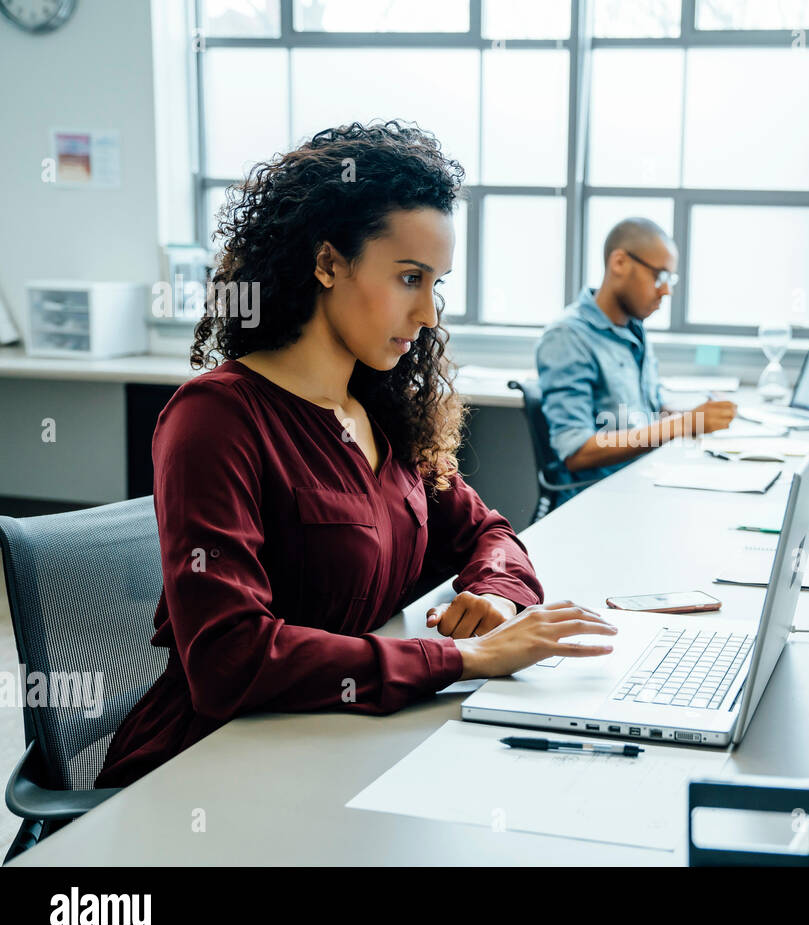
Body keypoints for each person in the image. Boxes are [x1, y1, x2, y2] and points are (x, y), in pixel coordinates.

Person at [96, 121, 615, 789]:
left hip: (345, 738)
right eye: (408, 277)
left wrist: (496, 593)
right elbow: (230, 657)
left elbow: (488, 532)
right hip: (212, 765)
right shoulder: (216, 417)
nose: (429, 312)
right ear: (327, 263)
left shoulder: (382, 413)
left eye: (436, 283)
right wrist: (463, 658)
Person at [535, 218, 736, 500]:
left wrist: (696, 414)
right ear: (619, 262)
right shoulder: (568, 336)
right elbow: (576, 452)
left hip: (644, 481)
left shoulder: (633, 330)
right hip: (600, 500)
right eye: (660, 276)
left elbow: (648, 412)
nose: (666, 290)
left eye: (670, 279)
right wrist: (684, 424)